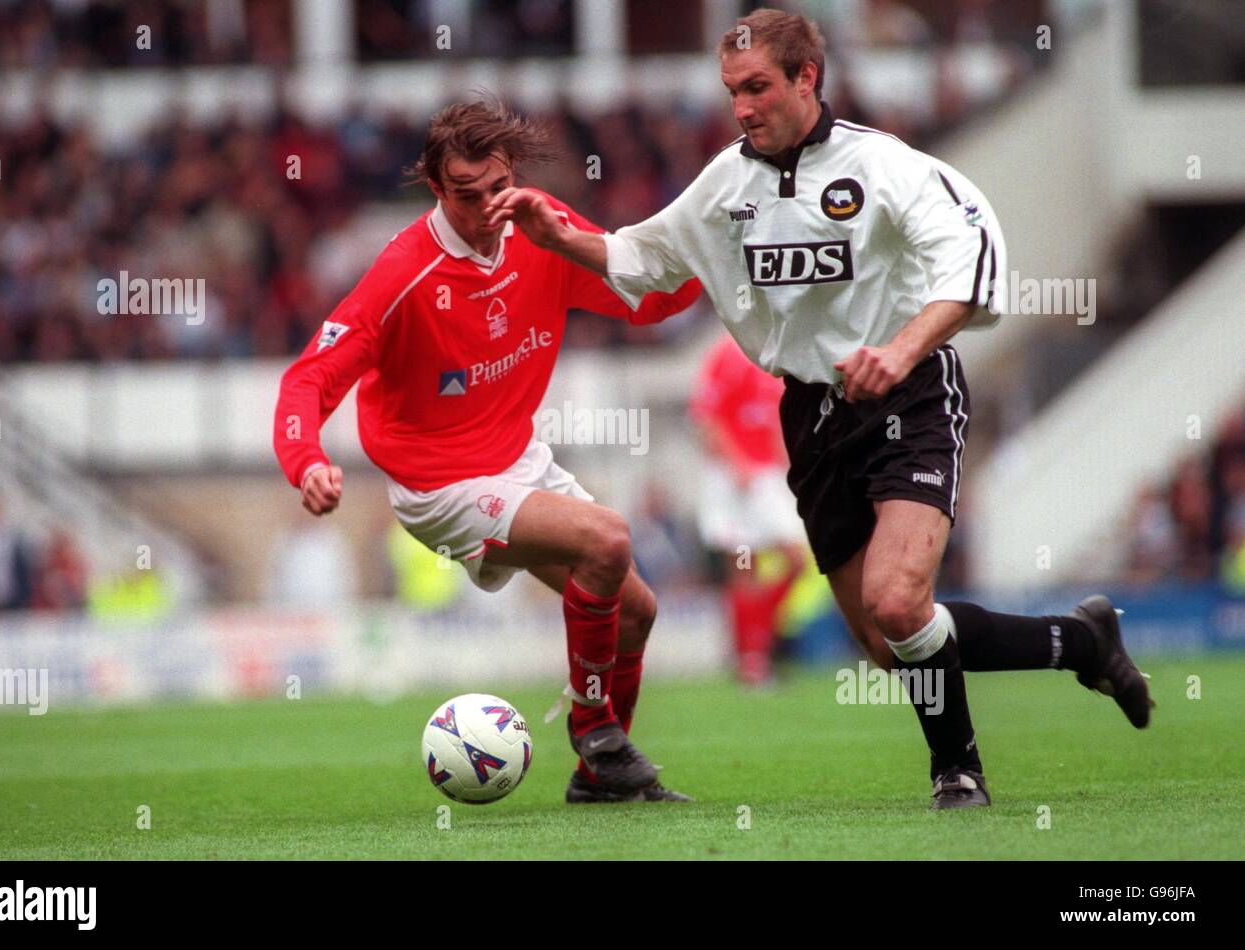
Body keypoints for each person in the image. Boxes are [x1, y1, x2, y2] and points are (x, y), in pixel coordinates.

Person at [488, 8, 1153, 810]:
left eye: (758, 87)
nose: (741, 107)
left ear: (808, 77)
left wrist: (902, 351)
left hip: (909, 393)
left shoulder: (884, 166)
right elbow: (638, 257)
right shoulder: (722, 186)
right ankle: (1081, 641)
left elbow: (971, 259)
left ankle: (958, 770)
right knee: (884, 645)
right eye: (732, 90)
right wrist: (552, 231)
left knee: (898, 601)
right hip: (811, 417)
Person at [273, 100, 702, 804]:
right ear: (438, 190)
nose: (484, 207)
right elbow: (309, 377)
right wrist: (307, 461)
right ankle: (592, 727)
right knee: (608, 538)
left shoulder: (542, 228)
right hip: (438, 483)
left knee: (637, 611)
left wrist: (715, 262)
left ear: (513, 175)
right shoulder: (403, 272)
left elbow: (647, 300)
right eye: (465, 194)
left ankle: (601, 781)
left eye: (495, 188)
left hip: (518, 460)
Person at [690, 334, 807, 686]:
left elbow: (773, 419)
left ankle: (754, 646)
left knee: (795, 559)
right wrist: (735, 462)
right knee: (744, 566)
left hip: (766, 476)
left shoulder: (776, 350)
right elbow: (707, 415)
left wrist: (789, 468)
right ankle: (752, 661)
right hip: (734, 478)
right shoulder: (728, 351)